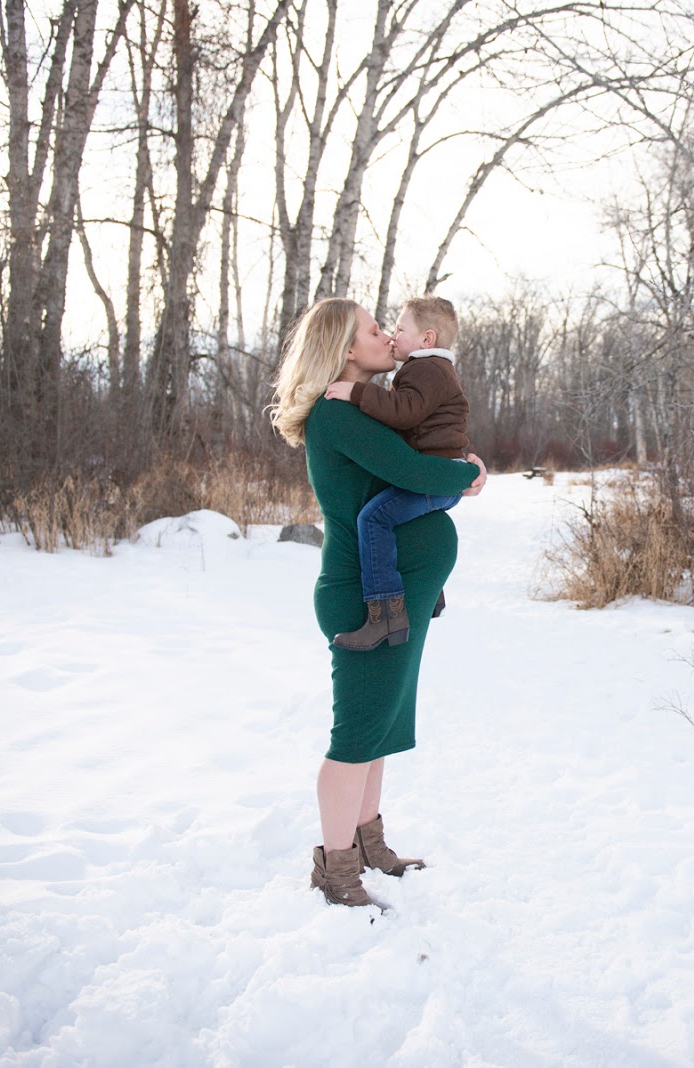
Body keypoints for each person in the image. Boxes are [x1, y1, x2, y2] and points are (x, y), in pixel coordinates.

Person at [269, 297, 486, 909]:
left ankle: (369, 845)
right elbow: (415, 472)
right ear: (344, 349)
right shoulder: (339, 415)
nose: (387, 338)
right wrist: (466, 474)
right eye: (373, 330)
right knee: (357, 733)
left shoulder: (368, 409)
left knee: (383, 727)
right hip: (365, 599)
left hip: (396, 596)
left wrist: (458, 466)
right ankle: (335, 868)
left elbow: (419, 457)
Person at [322, 295, 471, 651]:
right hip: (441, 473)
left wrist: (357, 392)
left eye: (399, 329)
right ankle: (432, 595)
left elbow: (404, 413)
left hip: (437, 475)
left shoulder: (425, 369)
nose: (392, 335)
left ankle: (386, 614)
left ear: (427, 339)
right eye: (380, 331)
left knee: (374, 520)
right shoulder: (432, 369)